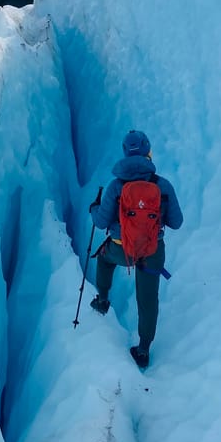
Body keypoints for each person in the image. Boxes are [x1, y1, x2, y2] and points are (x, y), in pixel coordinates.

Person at [89, 130, 183, 368]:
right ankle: (143, 350)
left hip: (122, 249)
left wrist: (94, 208)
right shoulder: (162, 186)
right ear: (148, 152)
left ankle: (102, 299)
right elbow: (177, 222)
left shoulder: (116, 186)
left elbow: (100, 222)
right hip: (152, 251)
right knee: (148, 299)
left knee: (105, 258)